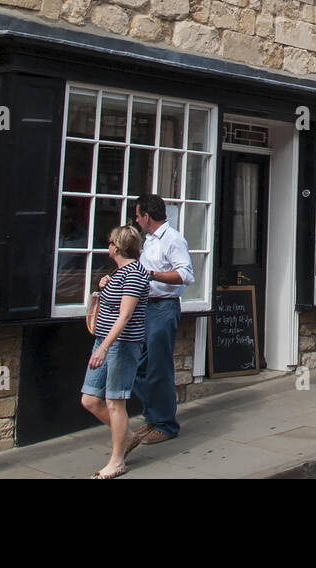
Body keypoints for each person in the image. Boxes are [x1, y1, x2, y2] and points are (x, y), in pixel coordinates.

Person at [122, 194, 194, 449]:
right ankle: (153, 417)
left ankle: (166, 425)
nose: (136, 220)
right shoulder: (149, 240)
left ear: (147, 217)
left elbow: (185, 274)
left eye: (138, 215)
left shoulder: (173, 239)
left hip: (163, 308)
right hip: (145, 308)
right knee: (141, 367)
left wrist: (152, 274)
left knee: (159, 368)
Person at [81, 224, 151, 478]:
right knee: (90, 400)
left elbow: (124, 316)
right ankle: (128, 437)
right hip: (104, 342)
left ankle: (117, 461)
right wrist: (106, 284)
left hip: (120, 346)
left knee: (114, 402)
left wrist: (103, 348)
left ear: (118, 247)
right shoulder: (122, 273)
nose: (108, 245)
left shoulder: (133, 274)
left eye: (110, 242)